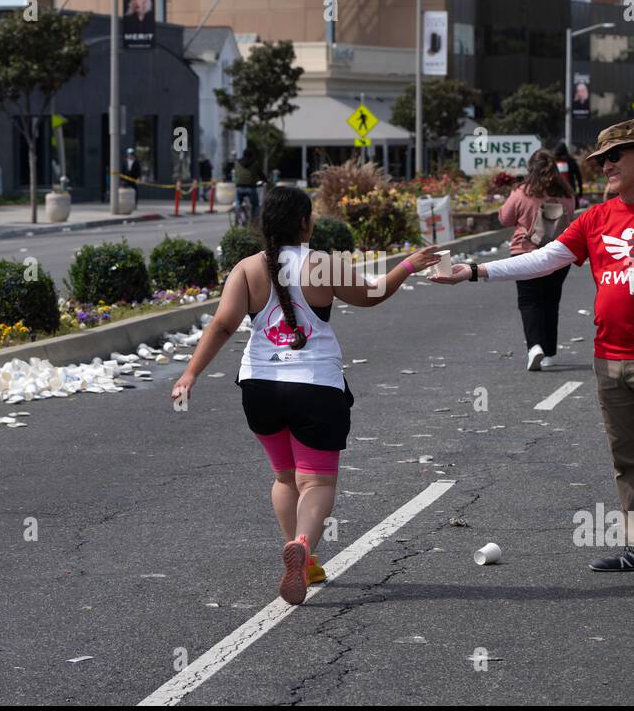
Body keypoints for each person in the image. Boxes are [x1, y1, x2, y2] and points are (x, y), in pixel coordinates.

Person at [432, 118, 634, 583]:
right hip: (608, 356)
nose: (606, 166)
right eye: (602, 159)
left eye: (616, 156)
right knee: (627, 458)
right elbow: (544, 259)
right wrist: (476, 270)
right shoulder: (596, 218)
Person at [170, 187, 439, 605]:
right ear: (304, 222)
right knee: (316, 481)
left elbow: (223, 325)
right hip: (315, 387)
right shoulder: (322, 264)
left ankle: (302, 559)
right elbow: (372, 294)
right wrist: (408, 264)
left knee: (283, 476)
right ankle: (303, 545)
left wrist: (190, 374)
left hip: (259, 386)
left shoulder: (246, 269)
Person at [498, 150, 575, 371]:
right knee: (551, 302)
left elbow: (505, 218)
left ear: (530, 169)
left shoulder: (522, 192)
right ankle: (550, 352)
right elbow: (571, 215)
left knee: (529, 301)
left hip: (525, 252)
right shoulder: (566, 193)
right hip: (557, 254)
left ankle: (534, 347)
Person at [233, 144, 261, 220]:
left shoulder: (237, 163)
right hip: (251, 187)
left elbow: (235, 174)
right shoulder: (255, 163)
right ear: (251, 155)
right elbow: (260, 174)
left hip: (239, 187)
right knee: (255, 204)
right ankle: (254, 220)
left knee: (238, 201)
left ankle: (237, 213)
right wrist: (265, 180)